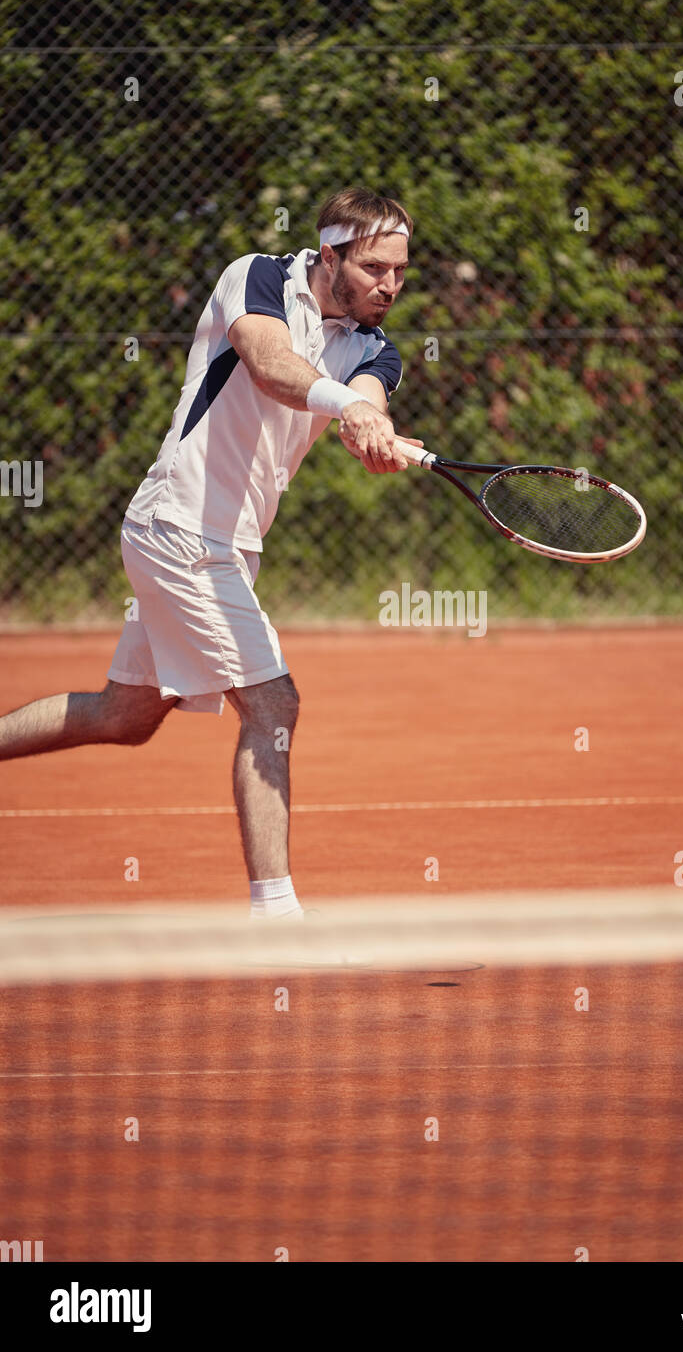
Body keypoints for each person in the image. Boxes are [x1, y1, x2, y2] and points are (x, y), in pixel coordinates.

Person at [0, 186, 422, 921]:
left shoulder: (375, 347)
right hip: (181, 528)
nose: (390, 285)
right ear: (330, 256)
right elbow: (269, 364)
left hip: (229, 543)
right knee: (275, 706)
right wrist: (347, 408)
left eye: (401, 271)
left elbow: (364, 402)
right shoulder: (259, 276)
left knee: (124, 716)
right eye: (375, 268)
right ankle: (277, 919)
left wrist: (372, 433)